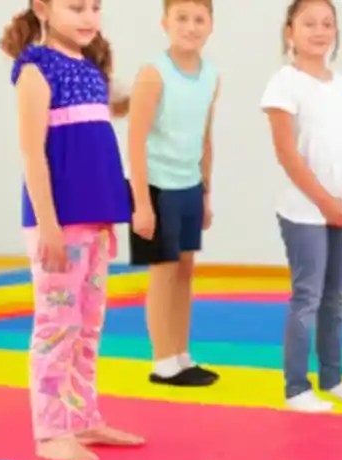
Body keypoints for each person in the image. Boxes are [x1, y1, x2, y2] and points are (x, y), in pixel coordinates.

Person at [1, 0, 144, 460]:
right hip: (58, 224)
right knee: (55, 327)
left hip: (96, 220)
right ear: (42, 8)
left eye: (96, 8)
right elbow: (31, 155)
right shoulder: (35, 70)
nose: (88, 17)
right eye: (76, 7)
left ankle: (82, 418)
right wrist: (49, 227)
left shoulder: (91, 69)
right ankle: (49, 431)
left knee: (87, 326)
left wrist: (108, 218)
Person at [261, 0, 342, 413]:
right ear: (290, 32)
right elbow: (288, 154)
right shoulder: (283, 84)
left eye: (328, 23)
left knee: (336, 297)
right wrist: (325, 202)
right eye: (309, 23)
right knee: (307, 295)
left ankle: (333, 377)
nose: (319, 30)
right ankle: (295, 387)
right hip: (305, 210)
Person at [127, 0, 221, 388]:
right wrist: (141, 204)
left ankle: (182, 354)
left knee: (185, 272)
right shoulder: (153, 74)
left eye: (199, 19)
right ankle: (163, 360)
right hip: (157, 187)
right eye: (181, 18)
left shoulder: (211, 76)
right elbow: (135, 139)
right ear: (165, 23)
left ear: (210, 26)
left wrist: (205, 194)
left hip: (188, 187)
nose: (190, 26)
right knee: (163, 274)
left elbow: (205, 137)